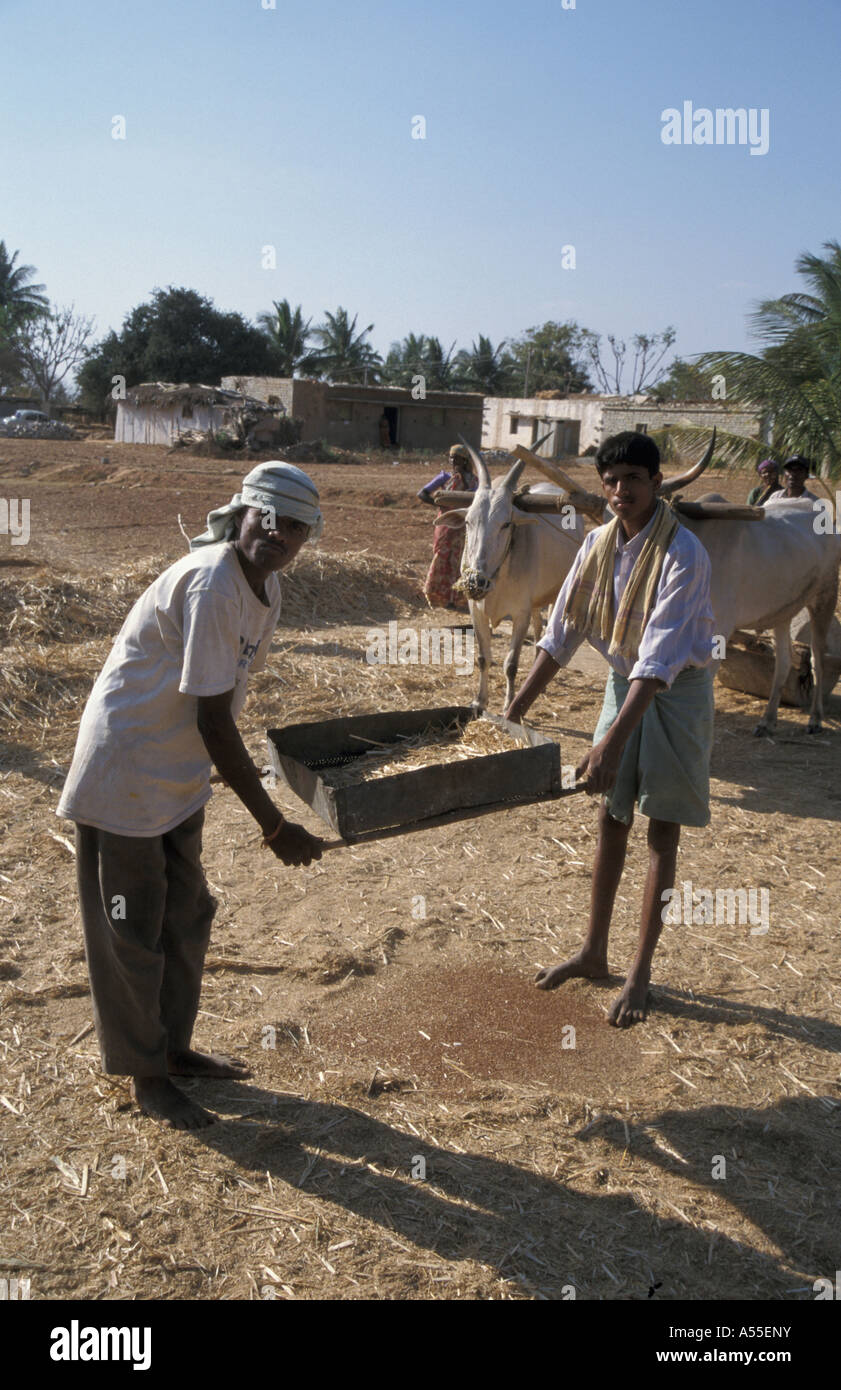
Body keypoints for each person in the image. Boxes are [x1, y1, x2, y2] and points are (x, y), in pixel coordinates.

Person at [56, 462, 325, 1129]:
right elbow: (212, 718)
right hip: (126, 771)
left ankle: (171, 1050)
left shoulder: (264, 590)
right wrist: (272, 826)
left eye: (295, 527)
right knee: (131, 929)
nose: (280, 535)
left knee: (187, 913)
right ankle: (146, 1079)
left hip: (176, 776)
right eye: (270, 518)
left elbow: (223, 702)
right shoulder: (211, 581)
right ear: (243, 513)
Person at [505, 432, 716, 1028]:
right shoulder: (597, 544)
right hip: (626, 683)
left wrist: (609, 744)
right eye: (613, 480)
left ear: (656, 483)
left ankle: (640, 971)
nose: (622, 491)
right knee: (609, 817)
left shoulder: (685, 554)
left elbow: (658, 663)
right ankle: (595, 953)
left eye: (635, 480)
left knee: (661, 831)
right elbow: (561, 633)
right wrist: (511, 714)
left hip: (676, 692)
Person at [418, 444, 478, 611]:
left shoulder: (473, 481)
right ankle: (437, 596)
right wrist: (441, 506)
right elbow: (422, 493)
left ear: (465, 461)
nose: (453, 462)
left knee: (459, 558)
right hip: (445, 523)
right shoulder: (444, 477)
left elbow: (476, 499)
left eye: (457, 459)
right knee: (442, 556)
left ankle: (457, 599)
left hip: (462, 524)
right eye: (451, 458)